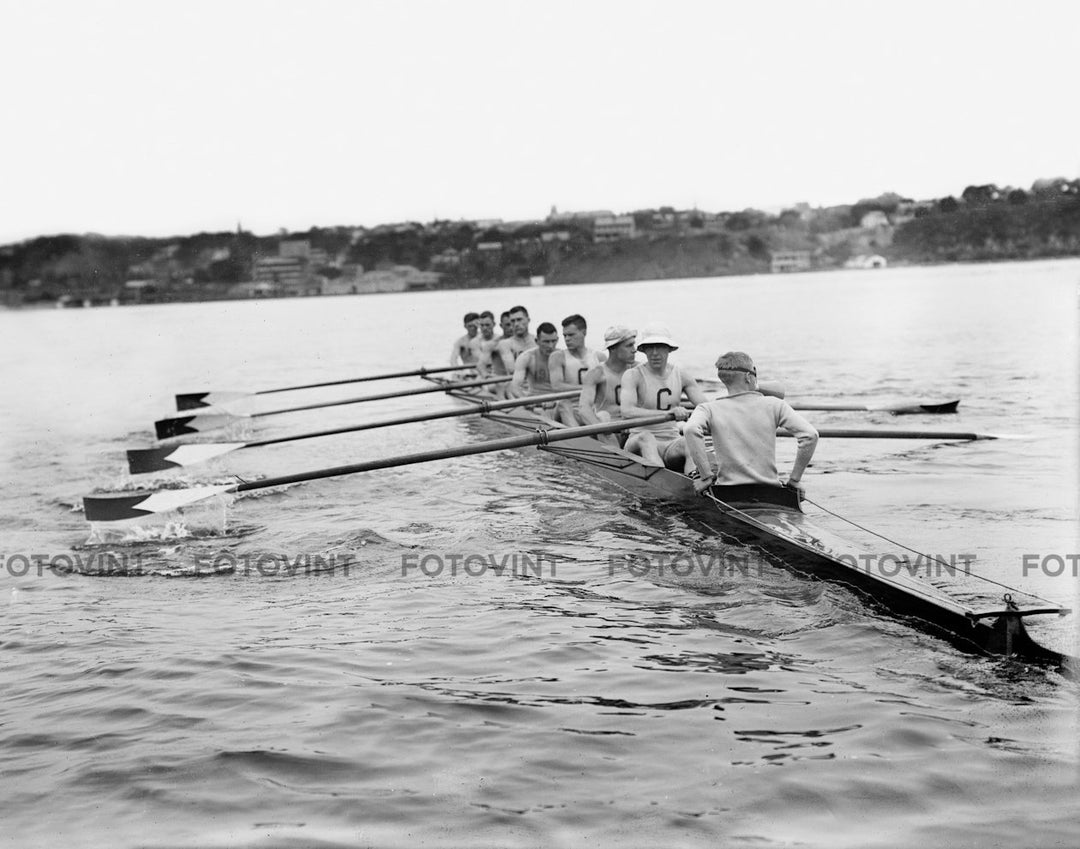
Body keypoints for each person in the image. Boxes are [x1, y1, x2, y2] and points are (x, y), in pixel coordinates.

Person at [684, 351, 818, 496]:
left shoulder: (708, 408)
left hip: (728, 493)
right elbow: (810, 435)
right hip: (770, 492)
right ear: (748, 376)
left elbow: (690, 429)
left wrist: (706, 476)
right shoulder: (775, 405)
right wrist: (794, 480)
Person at [620, 326, 707, 469]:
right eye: (650, 347)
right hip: (638, 441)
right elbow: (627, 411)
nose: (655, 353)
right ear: (644, 350)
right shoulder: (633, 375)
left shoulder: (682, 375)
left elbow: (705, 407)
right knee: (646, 437)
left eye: (660, 347)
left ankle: (695, 479)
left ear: (669, 349)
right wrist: (667, 413)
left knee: (690, 441)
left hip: (671, 441)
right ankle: (660, 478)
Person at [578, 326, 639, 444]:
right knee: (602, 416)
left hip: (633, 428)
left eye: (634, 345)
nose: (634, 350)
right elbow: (584, 409)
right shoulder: (597, 373)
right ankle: (615, 452)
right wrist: (603, 429)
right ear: (613, 348)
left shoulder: (638, 370)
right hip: (608, 429)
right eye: (629, 346)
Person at [549, 314, 606, 424]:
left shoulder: (599, 357)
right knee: (563, 405)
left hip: (591, 408)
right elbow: (557, 386)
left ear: (584, 332)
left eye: (571, 335)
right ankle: (578, 433)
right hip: (569, 408)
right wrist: (589, 388)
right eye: (565, 336)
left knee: (604, 413)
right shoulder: (557, 357)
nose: (567, 339)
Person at [509, 321, 560, 398]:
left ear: (557, 339)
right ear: (537, 341)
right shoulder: (526, 357)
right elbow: (515, 387)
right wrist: (526, 401)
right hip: (536, 399)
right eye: (546, 342)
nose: (550, 346)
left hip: (560, 399)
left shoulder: (564, 356)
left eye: (553, 341)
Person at [495, 305, 533, 377]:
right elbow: (512, 370)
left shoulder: (537, 341)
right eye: (513, 321)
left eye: (519, 320)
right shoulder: (505, 344)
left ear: (528, 320)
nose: (516, 324)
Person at [472, 310, 500, 375]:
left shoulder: (499, 339)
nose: (484, 328)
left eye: (487, 325)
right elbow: (484, 361)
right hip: (480, 374)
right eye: (482, 325)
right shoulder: (474, 342)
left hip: (497, 373)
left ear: (494, 324)